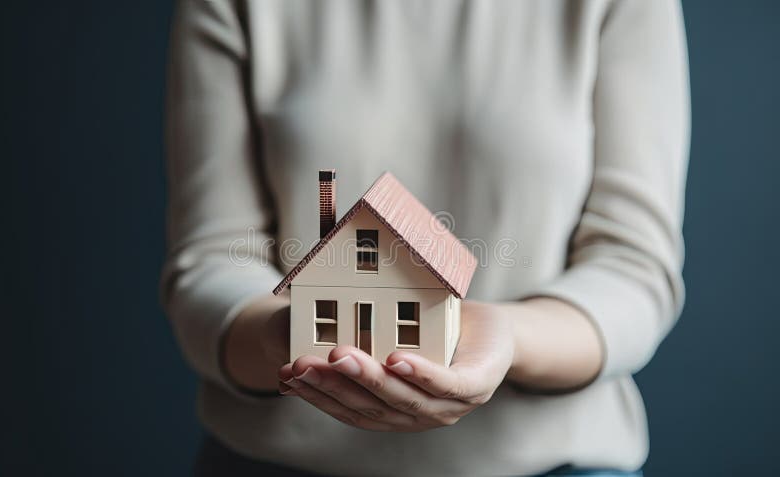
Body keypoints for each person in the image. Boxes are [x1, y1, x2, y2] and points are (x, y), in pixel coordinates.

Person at [161, 1, 689, 475]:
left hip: (558, 462)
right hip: (275, 461)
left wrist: (507, 336)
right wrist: (287, 335)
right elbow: (214, 255)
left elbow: (632, 266)